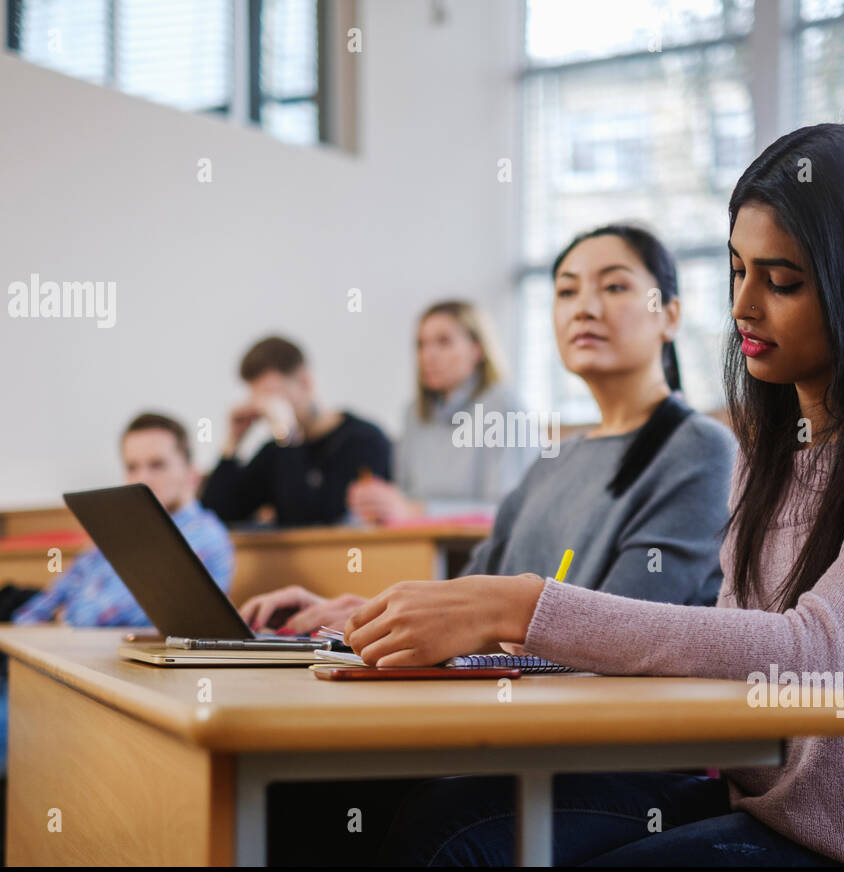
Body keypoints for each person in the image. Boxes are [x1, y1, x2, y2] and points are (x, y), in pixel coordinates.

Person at [338, 122, 844, 867]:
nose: (745, 306)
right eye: (738, 271)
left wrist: (523, 608)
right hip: (765, 806)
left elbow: (819, 651)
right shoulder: (780, 441)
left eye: (782, 282)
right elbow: (726, 644)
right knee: (446, 825)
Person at [240, 224, 738, 637]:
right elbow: (468, 591)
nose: (584, 307)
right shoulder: (557, 460)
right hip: (506, 709)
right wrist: (359, 612)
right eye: (566, 290)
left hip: (590, 739)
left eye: (614, 286)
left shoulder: (700, 449)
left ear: (670, 315)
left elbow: (614, 633)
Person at [0, 413, 233, 867]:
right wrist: (62, 618)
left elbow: (109, 619)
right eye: (132, 467)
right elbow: (35, 612)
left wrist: (66, 618)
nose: (142, 478)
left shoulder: (205, 539)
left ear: (191, 473)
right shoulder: (111, 540)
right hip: (16, 672)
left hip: (63, 699)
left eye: (157, 464)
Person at [344, 300, 536, 523]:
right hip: (424, 548)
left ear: (477, 349)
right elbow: (405, 498)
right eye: (421, 345)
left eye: (444, 342)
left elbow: (509, 511)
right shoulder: (413, 415)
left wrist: (420, 511)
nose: (428, 355)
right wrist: (381, 507)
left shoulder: (503, 405)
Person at [201, 336, 392, 527]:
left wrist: (287, 431)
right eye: (260, 398)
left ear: (305, 381)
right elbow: (216, 514)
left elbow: (309, 521)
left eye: (273, 394)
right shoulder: (277, 450)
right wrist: (232, 442)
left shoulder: (363, 440)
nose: (269, 407)